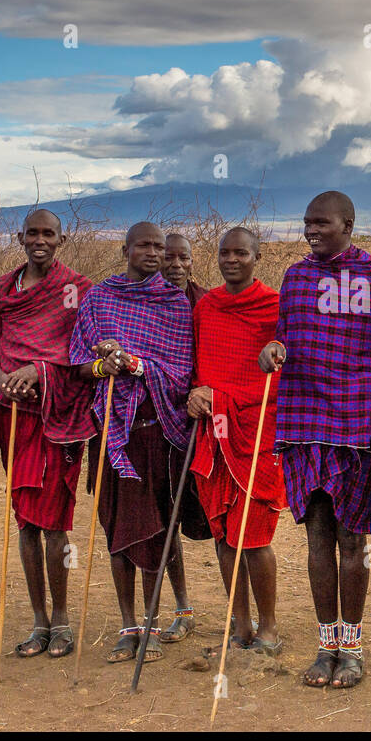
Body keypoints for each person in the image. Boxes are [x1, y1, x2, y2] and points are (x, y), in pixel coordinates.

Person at [259, 190, 371, 689]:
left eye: (322, 223)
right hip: (304, 422)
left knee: (351, 537)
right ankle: (326, 646)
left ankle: (353, 647)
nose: (311, 231)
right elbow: (282, 335)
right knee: (317, 534)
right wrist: (271, 349)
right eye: (306, 224)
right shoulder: (295, 276)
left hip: (360, 428)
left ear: (349, 224)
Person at [69, 221, 196, 662]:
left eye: (160, 247)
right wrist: (106, 365)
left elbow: (181, 374)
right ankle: (128, 626)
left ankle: (154, 624)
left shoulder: (175, 305)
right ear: (124, 249)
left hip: (154, 435)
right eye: (144, 245)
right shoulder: (100, 299)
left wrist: (138, 364)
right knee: (116, 528)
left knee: (156, 529)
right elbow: (78, 365)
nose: (154, 253)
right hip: (109, 433)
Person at [0, 209, 94, 660]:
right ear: (20, 237)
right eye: (32, 233)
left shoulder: (79, 289)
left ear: (61, 239)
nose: (40, 240)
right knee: (25, 518)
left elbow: (86, 355)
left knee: (54, 522)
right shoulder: (2, 289)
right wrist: (4, 380)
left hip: (61, 415)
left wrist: (40, 370)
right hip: (14, 414)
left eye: (48, 233)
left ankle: (63, 619)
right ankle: (37, 621)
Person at [188, 227, 286, 653]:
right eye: (225, 253)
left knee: (256, 537)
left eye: (241, 253)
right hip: (214, 431)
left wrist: (225, 396)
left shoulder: (274, 307)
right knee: (225, 535)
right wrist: (196, 393)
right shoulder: (205, 307)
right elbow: (199, 365)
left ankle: (269, 627)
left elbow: (282, 375)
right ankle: (239, 623)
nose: (232, 259)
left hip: (257, 432)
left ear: (257, 257)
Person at [153, 230, 213, 642]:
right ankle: (182, 606)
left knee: (218, 515)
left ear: (193, 261)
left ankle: (242, 616)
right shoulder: (144, 304)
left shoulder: (206, 302)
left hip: (203, 422)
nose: (176, 265)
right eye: (168, 258)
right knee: (163, 519)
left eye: (184, 258)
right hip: (156, 424)